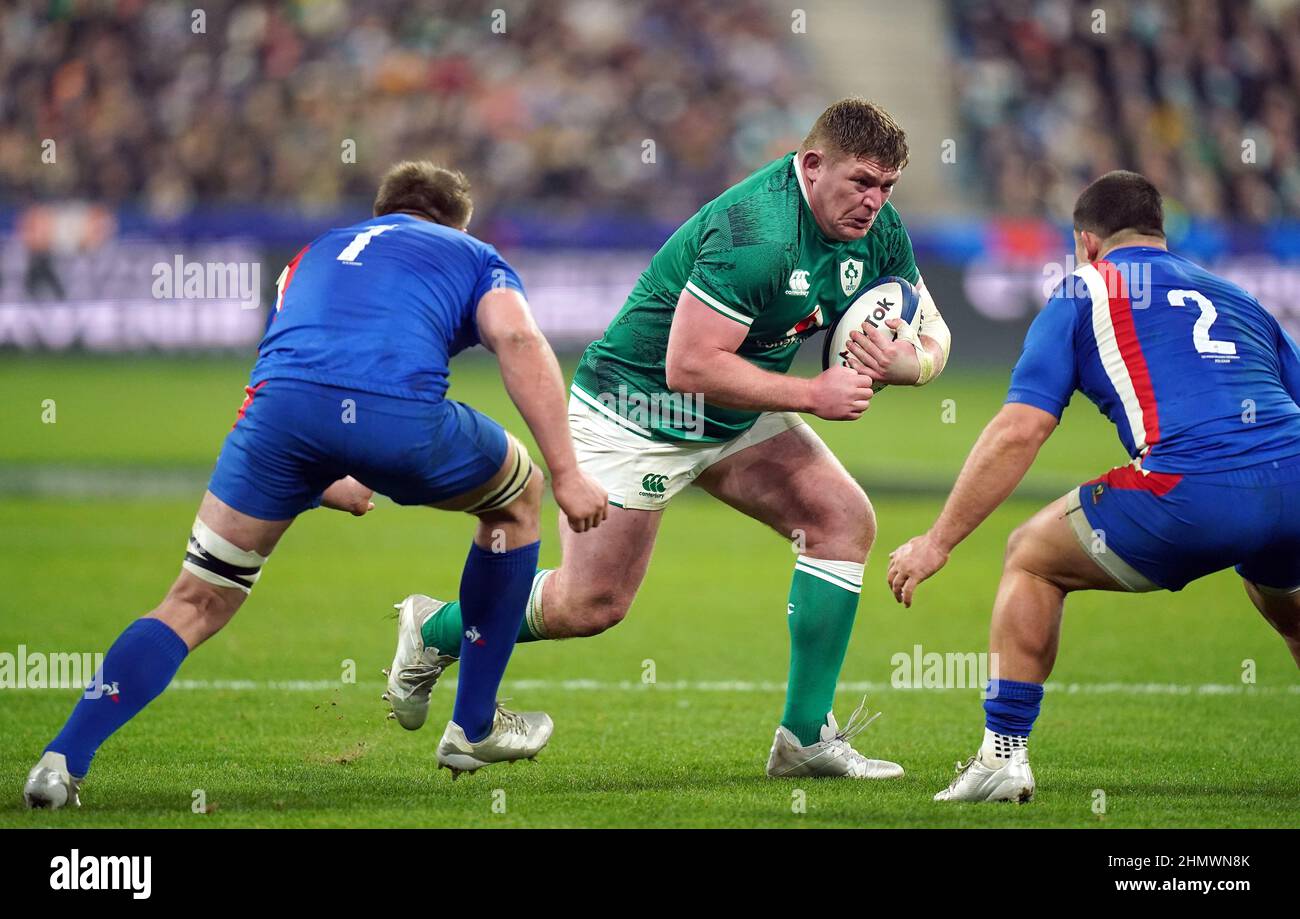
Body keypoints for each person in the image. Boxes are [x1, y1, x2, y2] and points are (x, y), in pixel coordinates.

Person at [382, 99, 953, 779]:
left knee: (842, 519)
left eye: (887, 186)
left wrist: (908, 365)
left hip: (734, 413)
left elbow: (933, 330)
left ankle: (803, 740)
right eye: (861, 181)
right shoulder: (759, 233)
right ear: (811, 164)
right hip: (639, 408)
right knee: (592, 604)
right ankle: (434, 628)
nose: (874, 201)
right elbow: (689, 366)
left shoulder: (880, 231)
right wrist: (812, 394)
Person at [24, 161, 607, 808]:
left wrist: (322, 472)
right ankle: (474, 724)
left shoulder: (311, 252)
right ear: (456, 222)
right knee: (517, 497)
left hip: (276, 417)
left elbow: (288, 356)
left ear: (382, 211)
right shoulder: (474, 254)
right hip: (395, 415)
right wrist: (567, 472)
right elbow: (518, 335)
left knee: (193, 599)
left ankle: (60, 760)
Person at [886, 170, 1300, 803]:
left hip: (1192, 493)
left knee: (1031, 557)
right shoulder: (1239, 297)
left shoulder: (1085, 289)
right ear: (1161, 234)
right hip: (1292, 482)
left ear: (1085, 241)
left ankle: (1002, 757)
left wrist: (937, 542)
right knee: (1283, 603)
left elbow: (1019, 431)